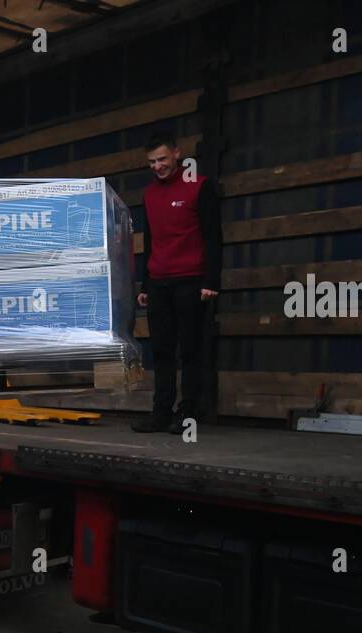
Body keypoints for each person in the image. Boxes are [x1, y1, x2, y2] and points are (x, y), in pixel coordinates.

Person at [132, 128, 222, 434]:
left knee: (191, 351)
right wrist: (145, 284)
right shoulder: (149, 194)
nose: (157, 166)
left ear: (176, 154)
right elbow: (150, 240)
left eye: (161, 159)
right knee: (161, 350)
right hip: (159, 283)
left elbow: (213, 236)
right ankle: (161, 413)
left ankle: (188, 414)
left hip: (191, 281)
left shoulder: (200, 187)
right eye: (151, 162)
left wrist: (211, 280)